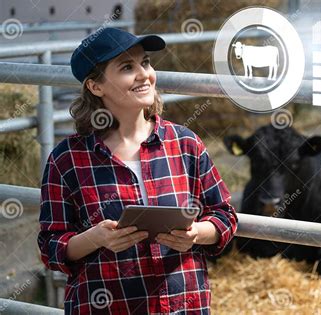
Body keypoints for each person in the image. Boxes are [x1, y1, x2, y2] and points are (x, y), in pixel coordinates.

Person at [37, 27, 238, 314]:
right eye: (127, 67)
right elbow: (50, 246)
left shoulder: (185, 144)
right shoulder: (67, 159)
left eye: (144, 62)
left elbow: (224, 216)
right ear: (96, 87)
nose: (144, 74)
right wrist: (96, 238)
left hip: (182, 305)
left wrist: (196, 233)